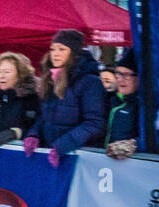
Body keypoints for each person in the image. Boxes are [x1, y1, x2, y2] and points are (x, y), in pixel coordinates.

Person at [24, 29, 107, 165]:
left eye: (62, 49)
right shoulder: (51, 78)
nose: (55, 54)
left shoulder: (90, 81)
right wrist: (34, 135)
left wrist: (62, 145)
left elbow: (94, 123)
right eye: (53, 49)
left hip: (77, 157)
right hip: (50, 153)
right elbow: (44, 117)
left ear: (73, 53)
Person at [104, 49, 141, 158]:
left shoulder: (142, 106)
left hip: (131, 166)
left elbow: (151, 137)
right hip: (102, 164)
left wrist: (132, 145)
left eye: (126, 75)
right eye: (118, 74)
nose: (120, 79)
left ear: (138, 78)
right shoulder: (109, 99)